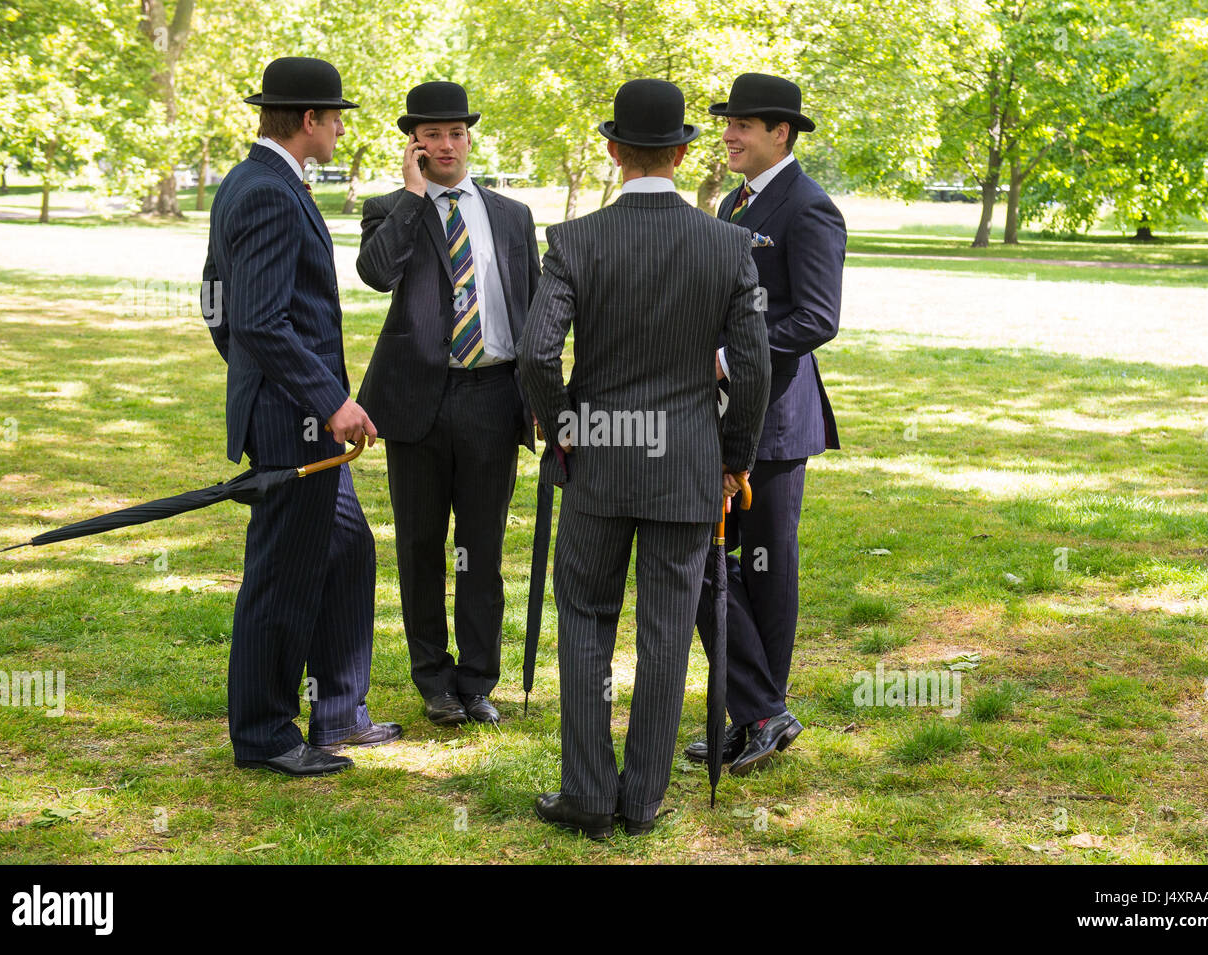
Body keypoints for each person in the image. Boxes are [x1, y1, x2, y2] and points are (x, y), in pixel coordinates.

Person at [519, 79, 771, 840]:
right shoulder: (729, 245)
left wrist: (562, 424)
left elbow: (536, 351)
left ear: (611, 149)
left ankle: (588, 793)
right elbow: (754, 368)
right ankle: (643, 798)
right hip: (686, 464)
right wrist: (734, 458)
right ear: (686, 151)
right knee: (666, 630)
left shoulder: (573, 241)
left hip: (597, 458)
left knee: (587, 619)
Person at [201, 56, 401, 776]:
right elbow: (255, 320)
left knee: (347, 551)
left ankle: (339, 709)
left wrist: (257, 372)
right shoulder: (266, 192)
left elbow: (218, 307)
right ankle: (264, 734)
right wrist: (328, 400)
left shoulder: (256, 181)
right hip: (293, 419)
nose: (343, 128)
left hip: (287, 407)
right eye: (337, 116)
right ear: (310, 120)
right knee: (282, 574)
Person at [355, 82, 540, 727]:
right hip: (416, 404)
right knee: (421, 544)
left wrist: (542, 396)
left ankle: (478, 678)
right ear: (414, 145)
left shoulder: (512, 216)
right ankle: (433, 678)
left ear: (469, 137)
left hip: (493, 397)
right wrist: (411, 197)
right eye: (431, 135)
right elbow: (377, 273)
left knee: (482, 547)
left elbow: (536, 308)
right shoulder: (388, 208)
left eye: (455, 133)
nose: (445, 144)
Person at [683, 72, 846, 776]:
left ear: (780, 132)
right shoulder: (732, 201)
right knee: (713, 562)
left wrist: (725, 356)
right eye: (726, 123)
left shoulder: (809, 209)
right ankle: (755, 712)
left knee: (764, 569)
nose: (727, 135)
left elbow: (817, 318)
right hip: (719, 415)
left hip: (776, 422)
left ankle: (757, 712)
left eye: (741, 125)